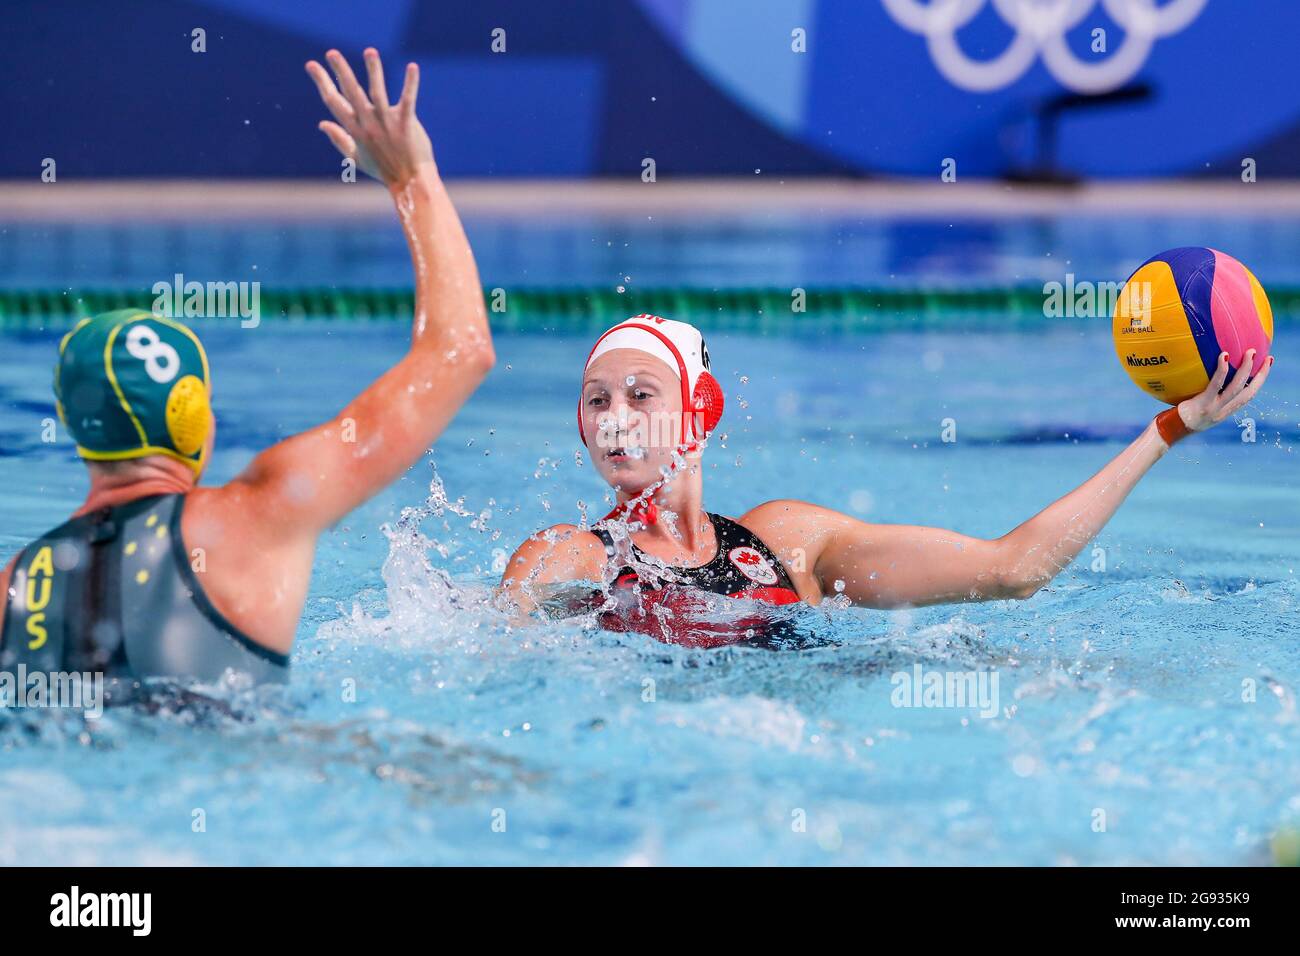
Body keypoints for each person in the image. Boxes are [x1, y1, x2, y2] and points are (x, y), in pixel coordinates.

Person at [0, 49, 494, 689]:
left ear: (77, 429)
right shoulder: (256, 516)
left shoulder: (13, 586)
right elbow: (460, 350)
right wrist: (412, 179)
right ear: (190, 418)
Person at [499, 314, 1273, 646]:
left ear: (702, 410)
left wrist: (1166, 431)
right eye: (596, 400)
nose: (614, 418)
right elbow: (480, 661)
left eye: (641, 395)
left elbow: (1013, 571)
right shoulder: (570, 557)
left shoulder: (789, 542)